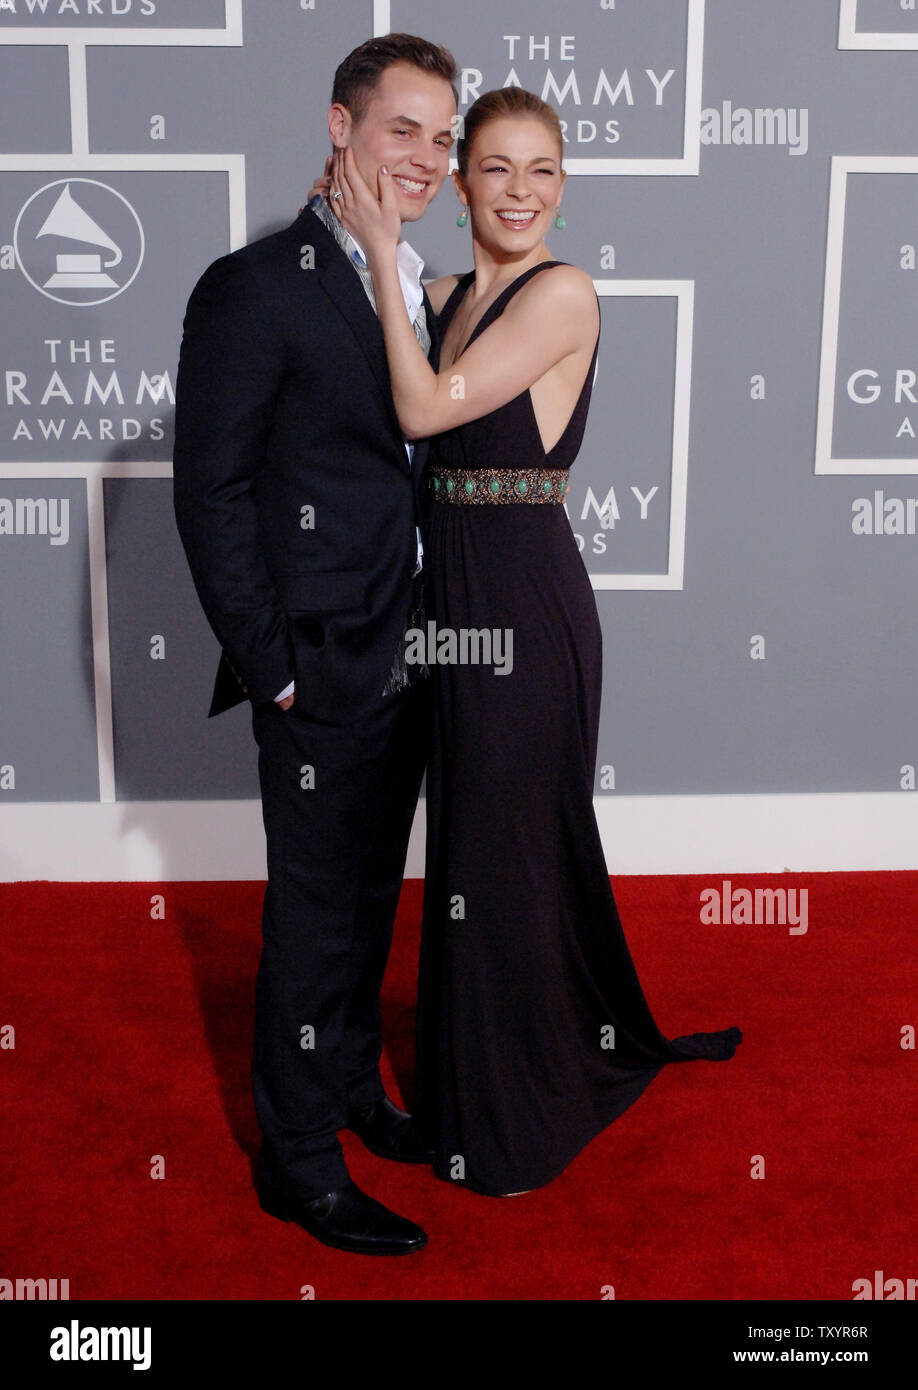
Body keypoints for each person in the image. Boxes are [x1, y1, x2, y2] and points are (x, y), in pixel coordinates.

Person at [321, 85, 743, 1198]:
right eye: (497, 168)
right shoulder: (451, 292)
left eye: (541, 169)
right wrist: (379, 242)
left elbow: (421, 414)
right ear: (461, 182)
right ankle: (468, 1087)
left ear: (564, 182)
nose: (520, 191)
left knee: (504, 850)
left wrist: (375, 250)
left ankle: (513, 1119)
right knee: (467, 848)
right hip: (448, 602)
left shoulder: (563, 295)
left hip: (520, 604)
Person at [172, 34, 461, 1254]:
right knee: (307, 916)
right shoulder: (252, 285)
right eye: (406, 130)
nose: (430, 160)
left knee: (368, 897)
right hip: (318, 659)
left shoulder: (409, 274)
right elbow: (211, 493)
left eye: (444, 140)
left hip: (407, 646)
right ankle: (296, 1160)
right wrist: (274, 660)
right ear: (340, 127)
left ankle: (348, 1086)